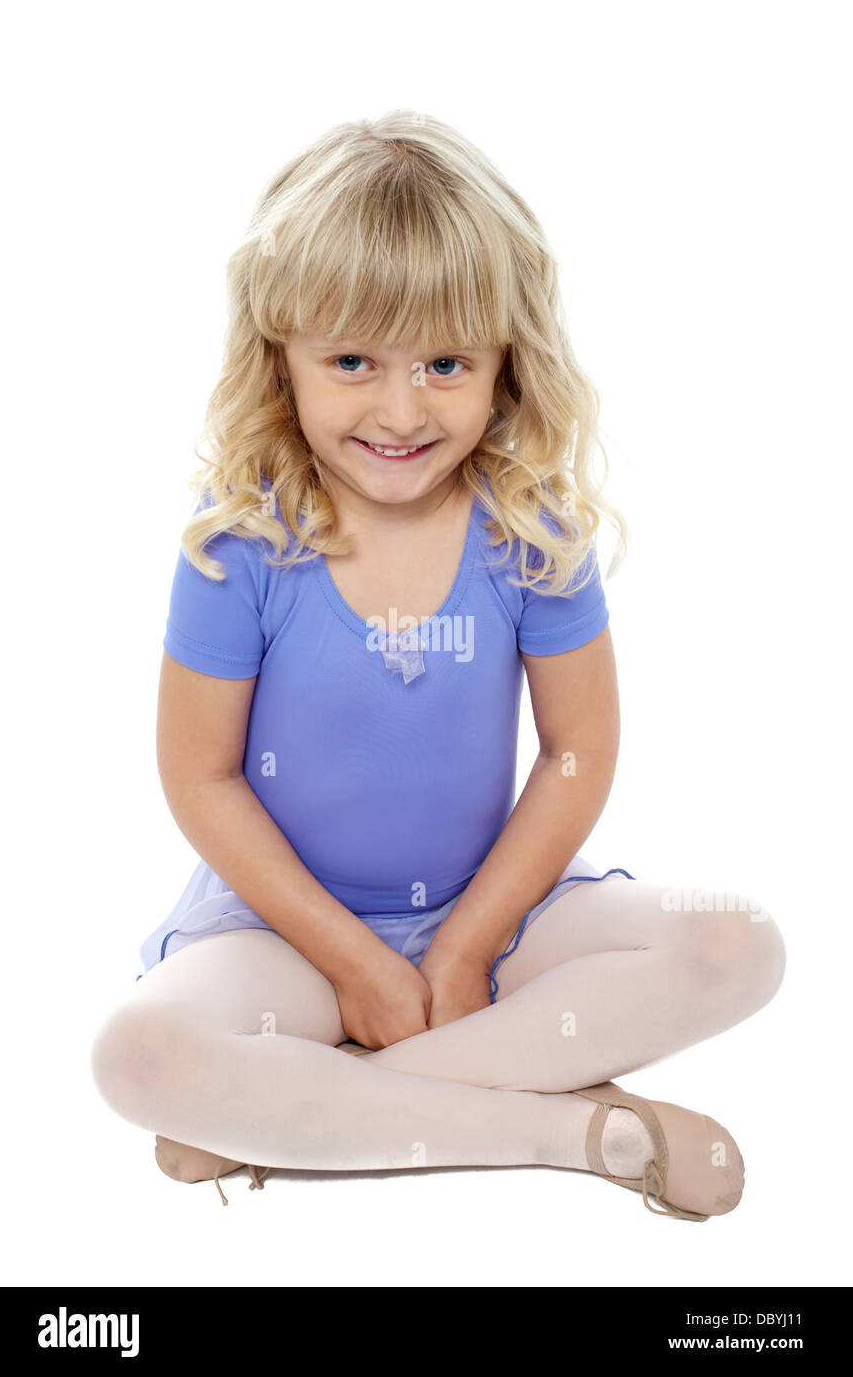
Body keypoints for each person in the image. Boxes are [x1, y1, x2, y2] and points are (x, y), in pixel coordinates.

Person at [90, 109, 785, 1216]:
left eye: (446, 362)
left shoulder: (531, 531)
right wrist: (356, 963)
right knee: (140, 1055)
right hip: (284, 939)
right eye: (353, 360)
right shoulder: (240, 543)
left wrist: (465, 945)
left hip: (492, 917)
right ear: (283, 354)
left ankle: (312, 1114)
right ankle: (573, 1132)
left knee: (737, 942)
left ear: (508, 360)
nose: (401, 410)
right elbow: (202, 777)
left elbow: (576, 750)